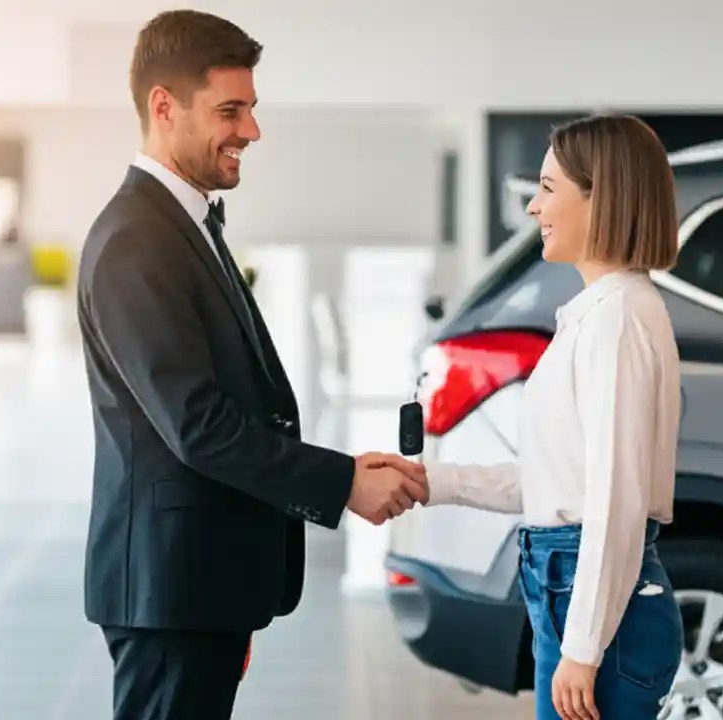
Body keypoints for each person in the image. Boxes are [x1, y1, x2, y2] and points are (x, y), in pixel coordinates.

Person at [76, 10, 428, 720]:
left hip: (195, 583)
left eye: (252, 109)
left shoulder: (183, 223)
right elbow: (198, 427)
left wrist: (342, 468)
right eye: (230, 111)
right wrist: (340, 485)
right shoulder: (137, 240)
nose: (251, 131)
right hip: (170, 591)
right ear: (164, 107)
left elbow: (233, 405)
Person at [377, 115, 684, 719]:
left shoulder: (617, 321)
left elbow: (615, 502)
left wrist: (584, 648)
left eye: (548, 188)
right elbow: (555, 479)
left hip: (593, 605)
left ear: (603, 198)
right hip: (567, 588)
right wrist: (431, 482)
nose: (534, 208)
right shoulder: (595, 316)